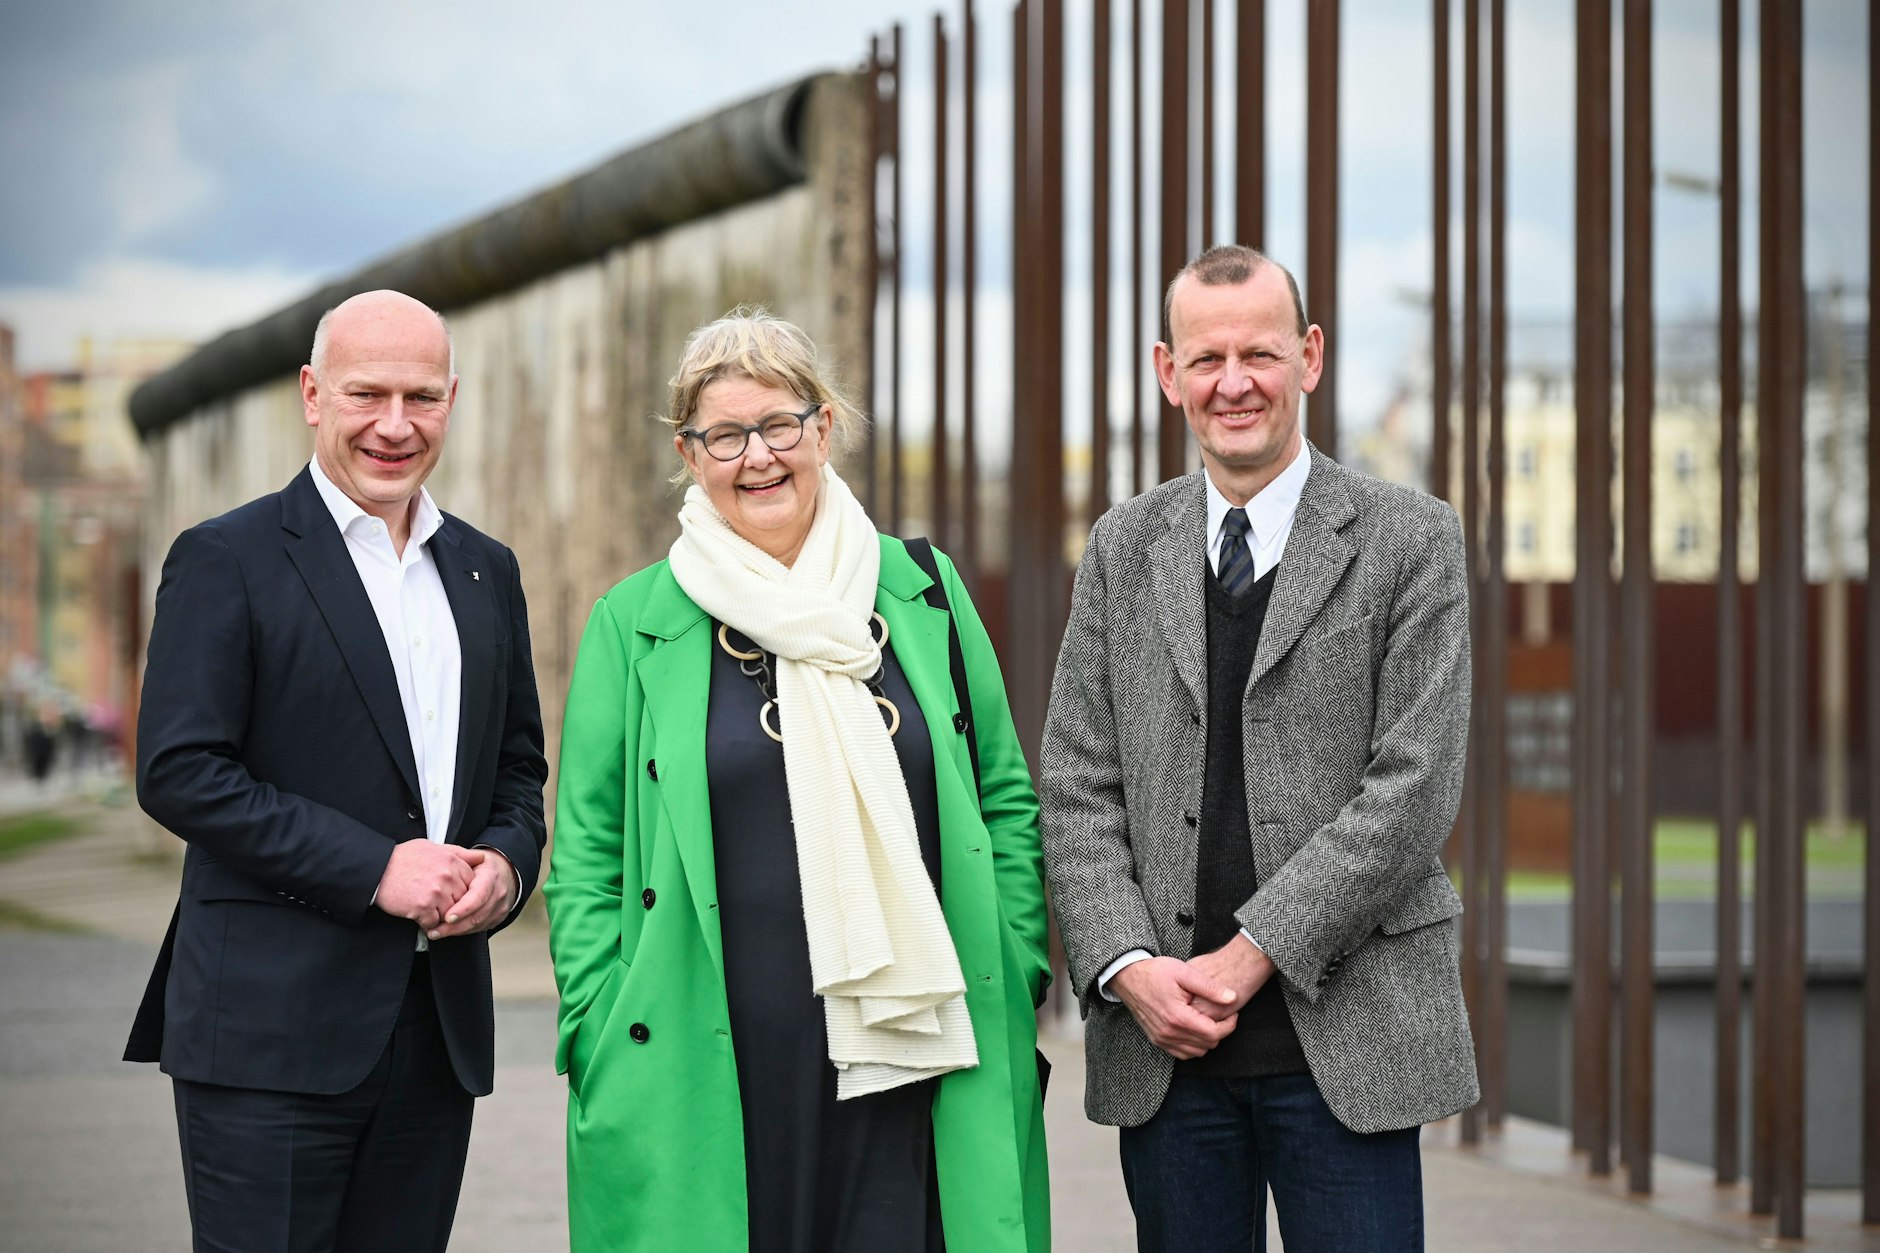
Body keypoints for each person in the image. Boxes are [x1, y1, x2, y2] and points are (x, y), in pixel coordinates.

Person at [547, 308, 1051, 1252]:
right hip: (712, 1057)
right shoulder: (635, 620)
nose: (758, 456)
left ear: (824, 428)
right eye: (725, 435)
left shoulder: (923, 591)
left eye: (779, 425)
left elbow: (1004, 795)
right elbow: (583, 846)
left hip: (919, 1041)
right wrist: (594, 1018)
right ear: (690, 455)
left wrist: (1016, 962)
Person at [1039, 246, 1476, 1252]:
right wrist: (1126, 965)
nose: (1232, 382)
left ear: (1309, 356)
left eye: (1259, 353)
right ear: (1166, 371)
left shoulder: (1410, 539)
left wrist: (1246, 956)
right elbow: (1074, 780)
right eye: (1205, 358)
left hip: (1349, 1039)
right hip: (1166, 1051)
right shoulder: (1119, 545)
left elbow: (1409, 790)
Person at [126, 289, 548, 1252]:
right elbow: (181, 770)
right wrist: (377, 867)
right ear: (313, 395)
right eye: (368, 395)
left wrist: (505, 866)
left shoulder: (487, 570)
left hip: (436, 1035)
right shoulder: (226, 557)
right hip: (269, 1037)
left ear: (452, 398)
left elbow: (519, 767)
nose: (395, 426)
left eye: (421, 397)